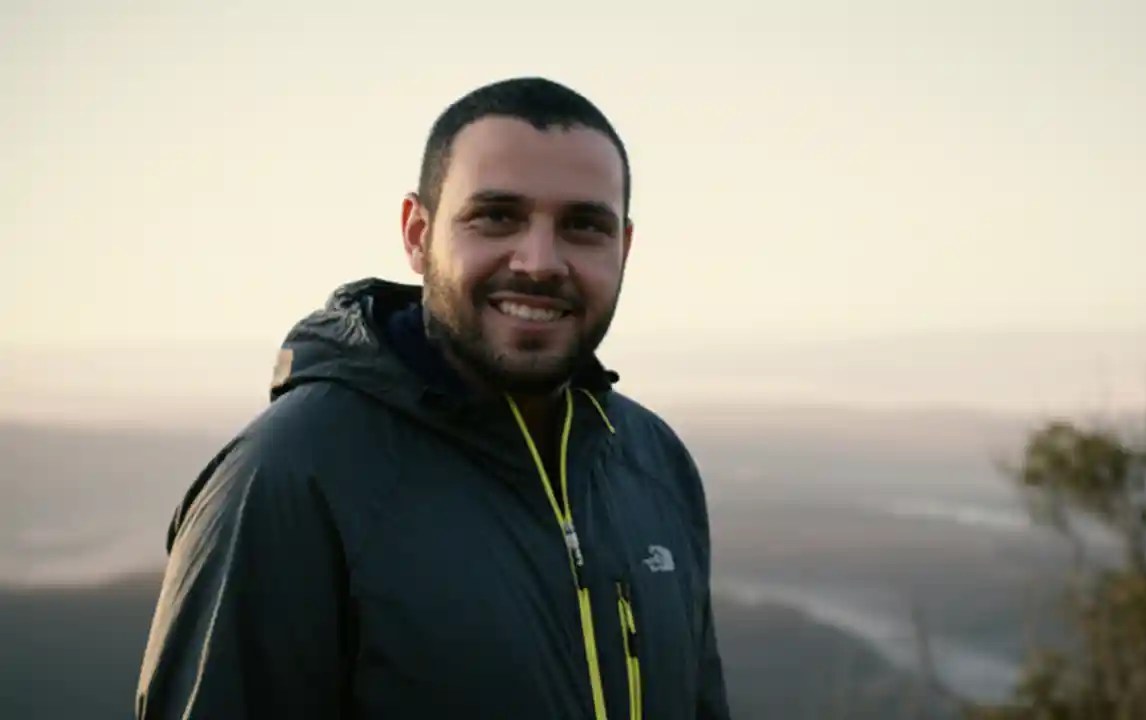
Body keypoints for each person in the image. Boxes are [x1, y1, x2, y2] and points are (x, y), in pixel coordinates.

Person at [134, 77, 732, 720]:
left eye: (584, 226)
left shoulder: (651, 462)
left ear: (624, 248)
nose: (539, 262)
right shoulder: (290, 476)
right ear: (417, 234)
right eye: (497, 216)